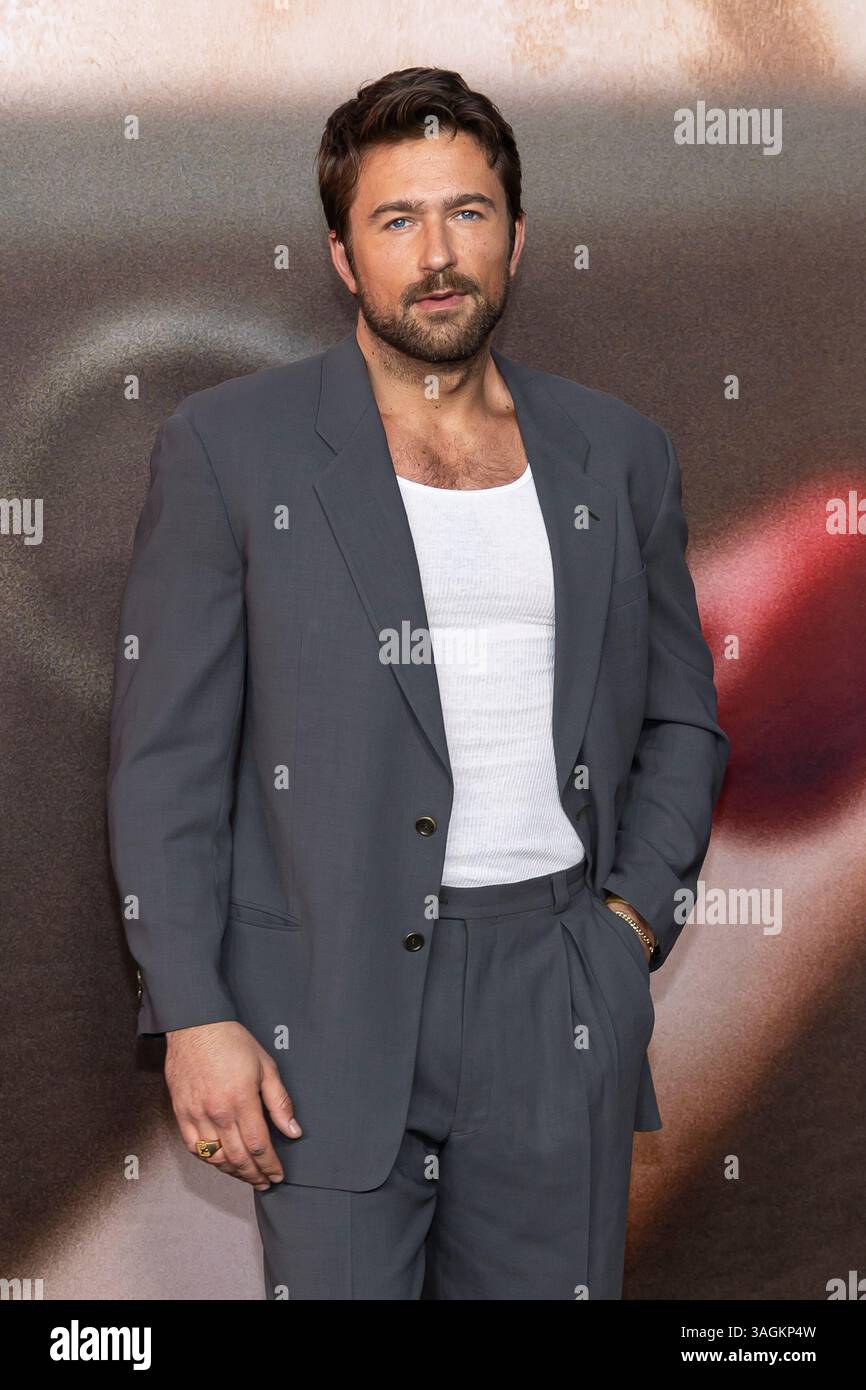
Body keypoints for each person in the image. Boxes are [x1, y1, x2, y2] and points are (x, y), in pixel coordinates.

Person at [107, 66, 729, 1300]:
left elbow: (679, 718)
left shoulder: (615, 450)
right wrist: (193, 1009)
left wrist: (623, 932)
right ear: (342, 254)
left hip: (554, 986)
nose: (436, 254)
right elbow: (165, 759)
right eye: (397, 221)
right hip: (319, 1005)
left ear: (516, 237)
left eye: (467, 213)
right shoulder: (232, 448)